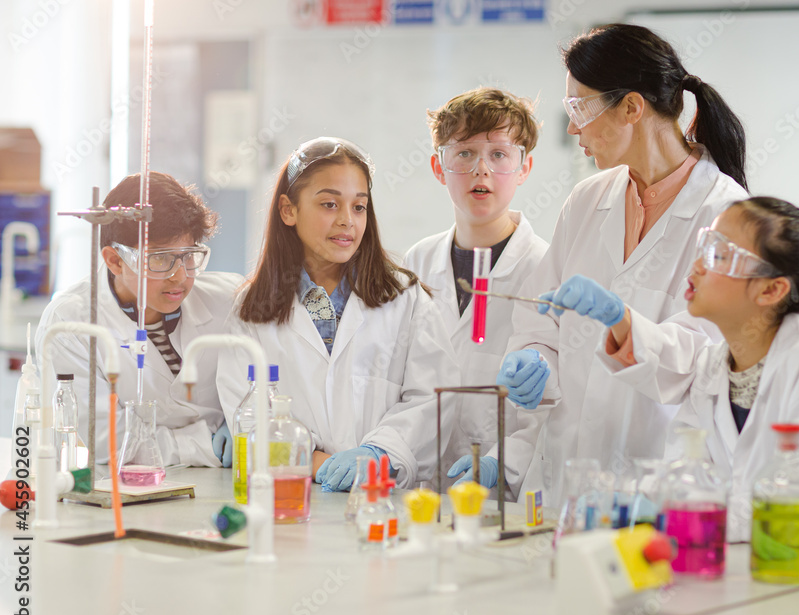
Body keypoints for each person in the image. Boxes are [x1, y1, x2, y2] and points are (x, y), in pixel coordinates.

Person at [497, 23, 749, 501]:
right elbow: (540, 318)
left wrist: (623, 323)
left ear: (632, 107)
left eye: (579, 108)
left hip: (655, 480)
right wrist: (534, 360)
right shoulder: (589, 199)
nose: (571, 128)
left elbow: (706, 357)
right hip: (564, 476)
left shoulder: (726, 214)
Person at [544, 197, 799, 541]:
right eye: (704, 246)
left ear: (771, 289)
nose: (697, 266)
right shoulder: (715, 364)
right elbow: (684, 470)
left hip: (791, 571)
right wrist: (631, 499)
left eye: (719, 254)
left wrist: (681, 515)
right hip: (722, 563)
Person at [217, 137, 460, 491]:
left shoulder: (403, 298)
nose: (347, 221)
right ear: (288, 210)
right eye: (330, 204)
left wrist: (380, 452)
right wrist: (319, 463)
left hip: (382, 496)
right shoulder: (250, 311)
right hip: (294, 498)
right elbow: (250, 417)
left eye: (359, 207)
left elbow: (435, 397)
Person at [36, 172, 242, 467]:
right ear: (115, 260)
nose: (180, 276)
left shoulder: (230, 299)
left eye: (188, 256)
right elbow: (102, 441)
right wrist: (206, 443)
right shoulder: (71, 323)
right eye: (159, 259)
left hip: (225, 486)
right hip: (127, 493)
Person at [403, 88, 549, 494]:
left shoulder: (546, 269)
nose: (481, 170)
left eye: (500, 154)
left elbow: (554, 406)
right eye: (464, 153)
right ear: (438, 166)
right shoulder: (416, 263)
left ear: (524, 168)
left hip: (501, 489)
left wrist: (500, 463)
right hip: (418, 483)